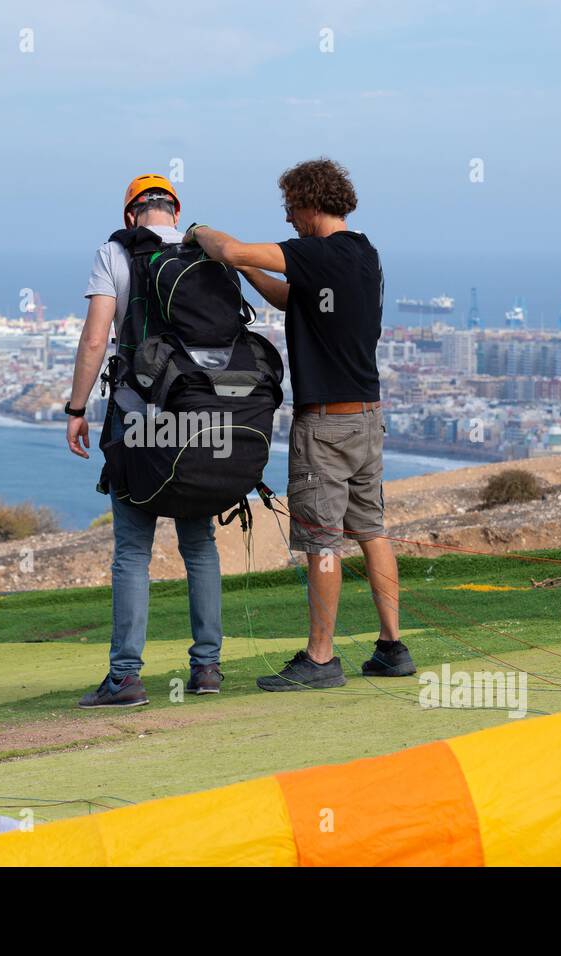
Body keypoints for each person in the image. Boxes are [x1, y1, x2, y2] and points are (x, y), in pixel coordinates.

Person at [184, 157, 414, 690]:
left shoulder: (318, 252)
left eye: (291, 209)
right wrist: (248, 273)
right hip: (366, 417)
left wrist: (196, 232)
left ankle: (320, 658)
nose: (288, 220)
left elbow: (234, 248)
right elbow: (293, 298)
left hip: (325, 426)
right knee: (371, 531)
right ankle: (390, 647)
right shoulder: (363, 255)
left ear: (311, 203)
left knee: (322, 543)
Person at [66, 174, 225, 707]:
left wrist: (75, 408)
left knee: (133, 550)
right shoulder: (205, 252)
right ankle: (206, 669)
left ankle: (126, 678)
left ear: (131, 215)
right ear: (175, 213)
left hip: (138, 418)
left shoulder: (114, 254)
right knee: (198, 544)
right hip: (201, 419)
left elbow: (95, 338)